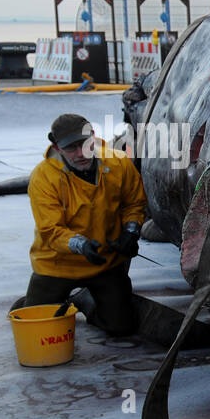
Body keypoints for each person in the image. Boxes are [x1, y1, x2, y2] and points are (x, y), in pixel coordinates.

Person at [22, 113, 146, 335]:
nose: (80, 154)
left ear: (94, 137)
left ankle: (86, 302)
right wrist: (81, 246)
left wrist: (131, 231)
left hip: (104, 262)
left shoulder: (118, 163)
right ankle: (37, 300)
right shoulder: (43, 177)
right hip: (56, 265)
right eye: (71, 148)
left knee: (122, 327)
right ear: (57, 148)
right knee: (39, 328)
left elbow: (134, 203)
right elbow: (51, 230)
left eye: (84, 144)